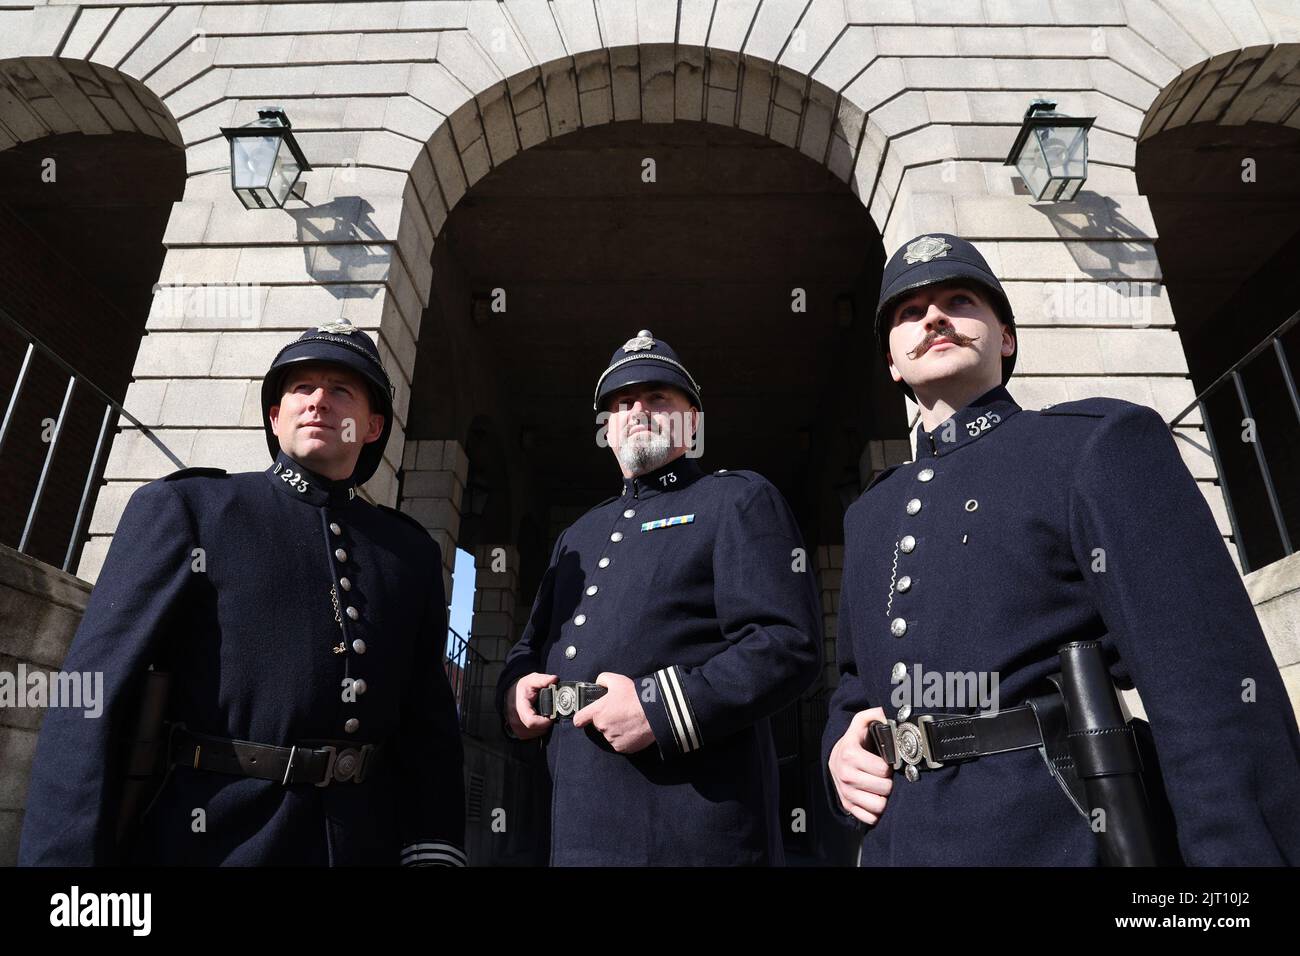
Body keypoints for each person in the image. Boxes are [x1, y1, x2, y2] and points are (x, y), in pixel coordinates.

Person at [822, 233, 1300, 865]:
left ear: (1007, 337)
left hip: (1055, 834)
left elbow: (1206, 690)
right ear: (891, 359)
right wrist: (839, 749)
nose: (934, 318)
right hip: (903, 844)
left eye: (959, 300)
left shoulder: (1092, 448)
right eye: (910, 313)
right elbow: (857, 685)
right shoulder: (870, 515)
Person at [20, 319, 466, 866]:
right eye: (301, 389)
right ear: (275, 418)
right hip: (211, 840)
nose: (318, 402)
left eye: (341, 390)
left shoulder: (408, 553)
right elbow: (93, 694)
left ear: (372, 427)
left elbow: (427, 723)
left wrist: (433, 851)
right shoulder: (196, 510)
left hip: (360, 844)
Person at [496, 329, 821, 865]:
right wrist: (512, 694)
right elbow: (528, 647)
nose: (638, 410)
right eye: (623, 403)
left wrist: (661, 709)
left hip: (690, 827)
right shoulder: (578, 535)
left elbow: (788, 644)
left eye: (657, 398)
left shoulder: (736, 500)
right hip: (573, 824)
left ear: (691, 421)